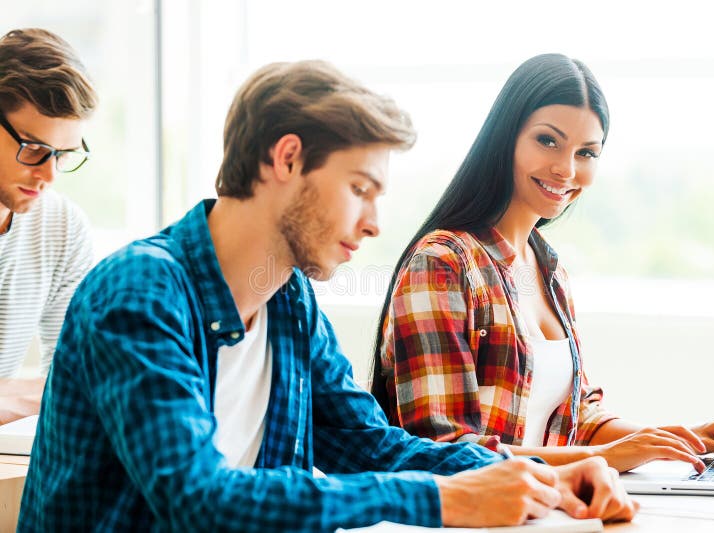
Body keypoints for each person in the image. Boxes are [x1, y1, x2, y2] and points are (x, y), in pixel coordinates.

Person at [18, 60, 637, 532]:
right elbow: (195, 496)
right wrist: (444, 500)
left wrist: (539, 476)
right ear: (287, 159)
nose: (373, 224)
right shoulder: (140, 293)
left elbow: (365, 442)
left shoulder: (287, 301)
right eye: (361, 189)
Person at [371, 53, 714, 474]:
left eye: (586, 153)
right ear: (505, 137)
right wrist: (602, 459)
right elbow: (443, 451)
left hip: (546, 506)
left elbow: (575, 419)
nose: (566, 168)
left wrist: (680, 438)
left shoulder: (548, 269)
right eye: (548, 141)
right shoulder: (442, 265)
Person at [0, 28, 96, 425]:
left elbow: (80, 382)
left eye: (64, 155)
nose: (49, 175)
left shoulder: (62, 227)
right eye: (34, 150)